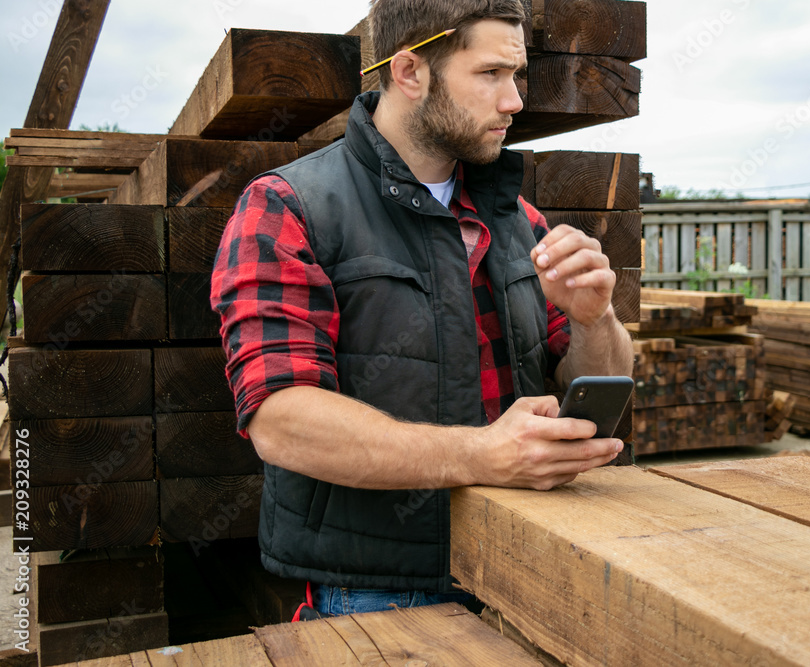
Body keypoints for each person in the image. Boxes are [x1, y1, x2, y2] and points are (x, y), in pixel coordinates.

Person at [209, 0, 633, 619]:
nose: (514, 100)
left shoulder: (520, 220)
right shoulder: (288, 208)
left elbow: (599, 386)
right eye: (490, 74)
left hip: (526, 562)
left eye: (515, 76)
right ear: (410, 73)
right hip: (379, 594)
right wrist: (485, 454)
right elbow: (281, 418)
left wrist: (599, 319)